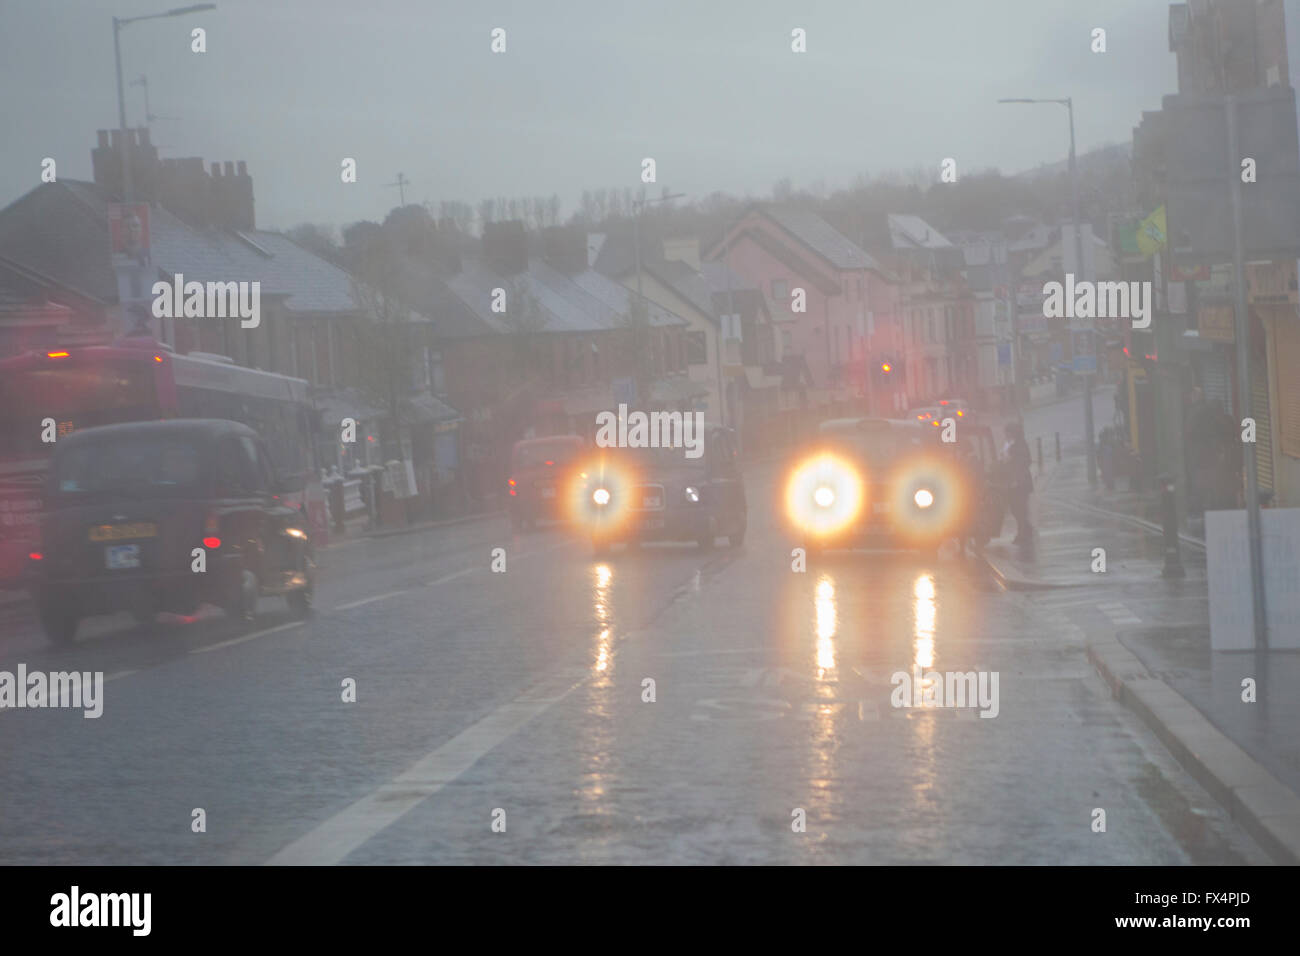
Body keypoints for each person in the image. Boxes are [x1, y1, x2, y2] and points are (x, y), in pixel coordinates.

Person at [1002, 422, 1034, 549]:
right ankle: (1026, 529)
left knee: (1019, 509)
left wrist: (1011, 460)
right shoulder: (1011, 444)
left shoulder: (1019, 445)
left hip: (1020, 484)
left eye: (1007, 433)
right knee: (1016, 509)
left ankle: (1023, 533)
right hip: (1014, 483)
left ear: (1012, 433)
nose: (1005, 435)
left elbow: (1025, 462)